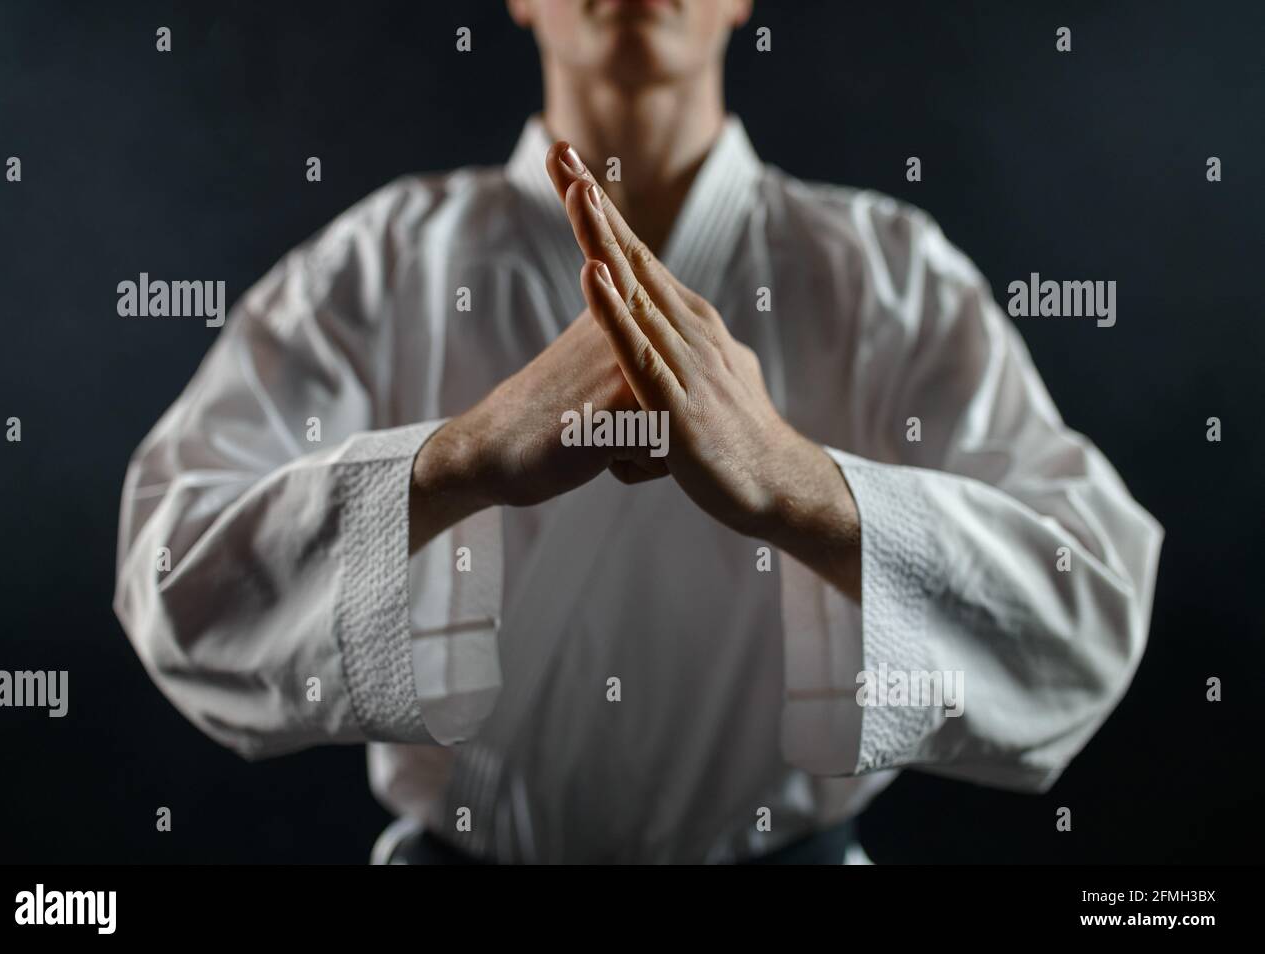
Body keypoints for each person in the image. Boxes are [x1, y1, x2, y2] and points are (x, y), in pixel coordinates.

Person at [113, 0, 1162, 863]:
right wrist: (459, 460)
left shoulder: (884, 275)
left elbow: (1091, 619)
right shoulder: (387, 265)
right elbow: (171, 575)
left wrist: (801, 485)